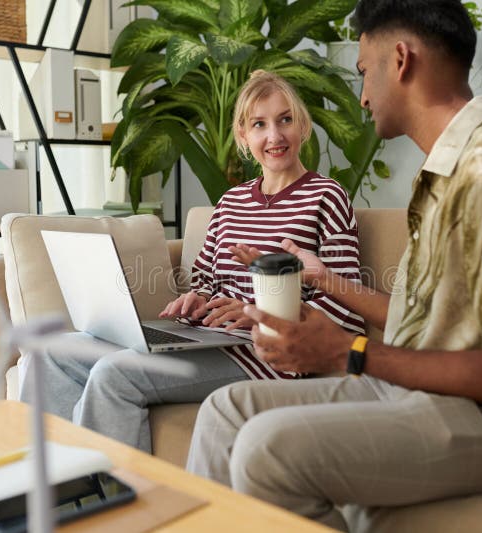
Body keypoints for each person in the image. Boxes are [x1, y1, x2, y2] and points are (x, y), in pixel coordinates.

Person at [185, 0, 482, 530]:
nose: (362, 96)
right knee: (224, 413)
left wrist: (347, 351)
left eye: (363, 72)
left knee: (268, 448)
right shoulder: (448, 169)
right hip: (425, 391)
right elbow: (416, 319)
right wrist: (320, 273)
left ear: (400, 60)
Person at [19, 70, 365, 452]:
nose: (274, 136)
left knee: (115, 374)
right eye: (259, 124)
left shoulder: (327, 197)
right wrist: (195, 300)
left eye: (285, 120)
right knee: (50, 351)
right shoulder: (230, 203)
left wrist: (255, 312)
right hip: (206, 339)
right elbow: (205, 280)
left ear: (302, 125)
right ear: (243, 137)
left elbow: (345, 309)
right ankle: (54, 487)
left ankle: (117, 500)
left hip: (264, 356)